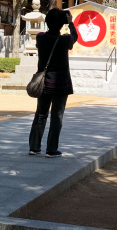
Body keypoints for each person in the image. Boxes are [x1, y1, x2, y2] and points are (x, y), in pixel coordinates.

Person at [29, 8, 78, 158]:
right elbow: (75, 36)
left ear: (47, 22)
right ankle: (51, 149)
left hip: (43, 83)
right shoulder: (65, 40)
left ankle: (34, 147)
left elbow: (44, 38)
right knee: (57, 115)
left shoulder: (40, 38)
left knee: (41, 114)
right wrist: (70, 23)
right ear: (62, 23)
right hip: (61, 84)